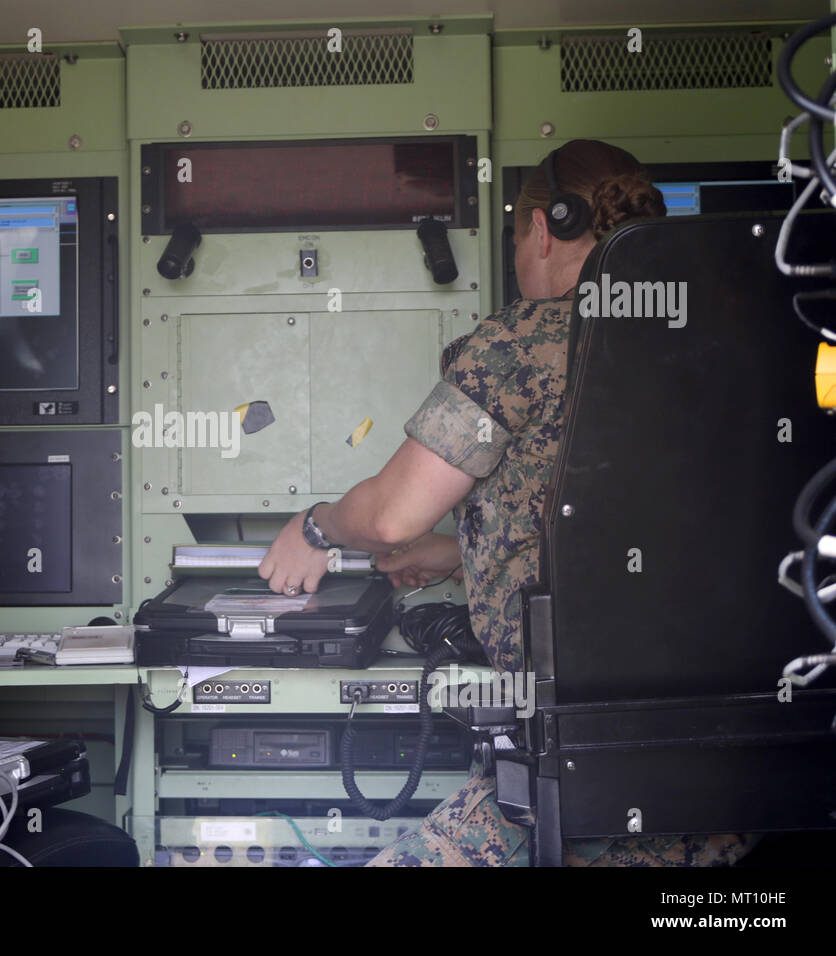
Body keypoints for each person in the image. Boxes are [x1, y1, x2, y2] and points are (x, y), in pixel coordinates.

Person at [257, 139, 755, 866]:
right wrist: (466, 553)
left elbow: (391, 516)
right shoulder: (723, 336)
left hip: (582, 766)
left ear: (541, 230)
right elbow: (642, 537)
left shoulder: (524, 341)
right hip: (737, 774)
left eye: (516, 237)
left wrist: (315, 528)